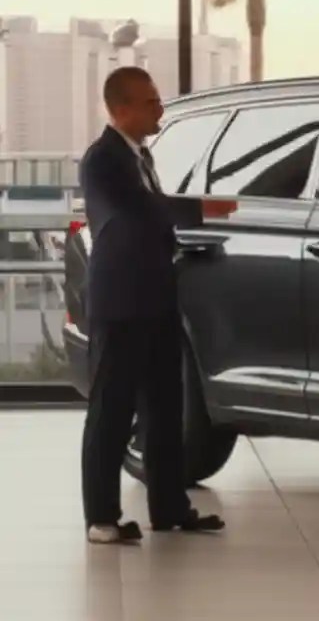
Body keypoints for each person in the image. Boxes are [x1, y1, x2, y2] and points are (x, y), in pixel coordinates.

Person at [80, 66, 224, 544]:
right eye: (150, 102)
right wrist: (201, 210)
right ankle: (101, 519)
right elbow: (139, 211)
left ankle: (169, 508)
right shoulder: (102, 159)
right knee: (112, 410)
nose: (160, 108)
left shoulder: (140, 156)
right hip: (121, 303)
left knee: (165, 407)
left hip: (156, 300)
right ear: (121, 109)